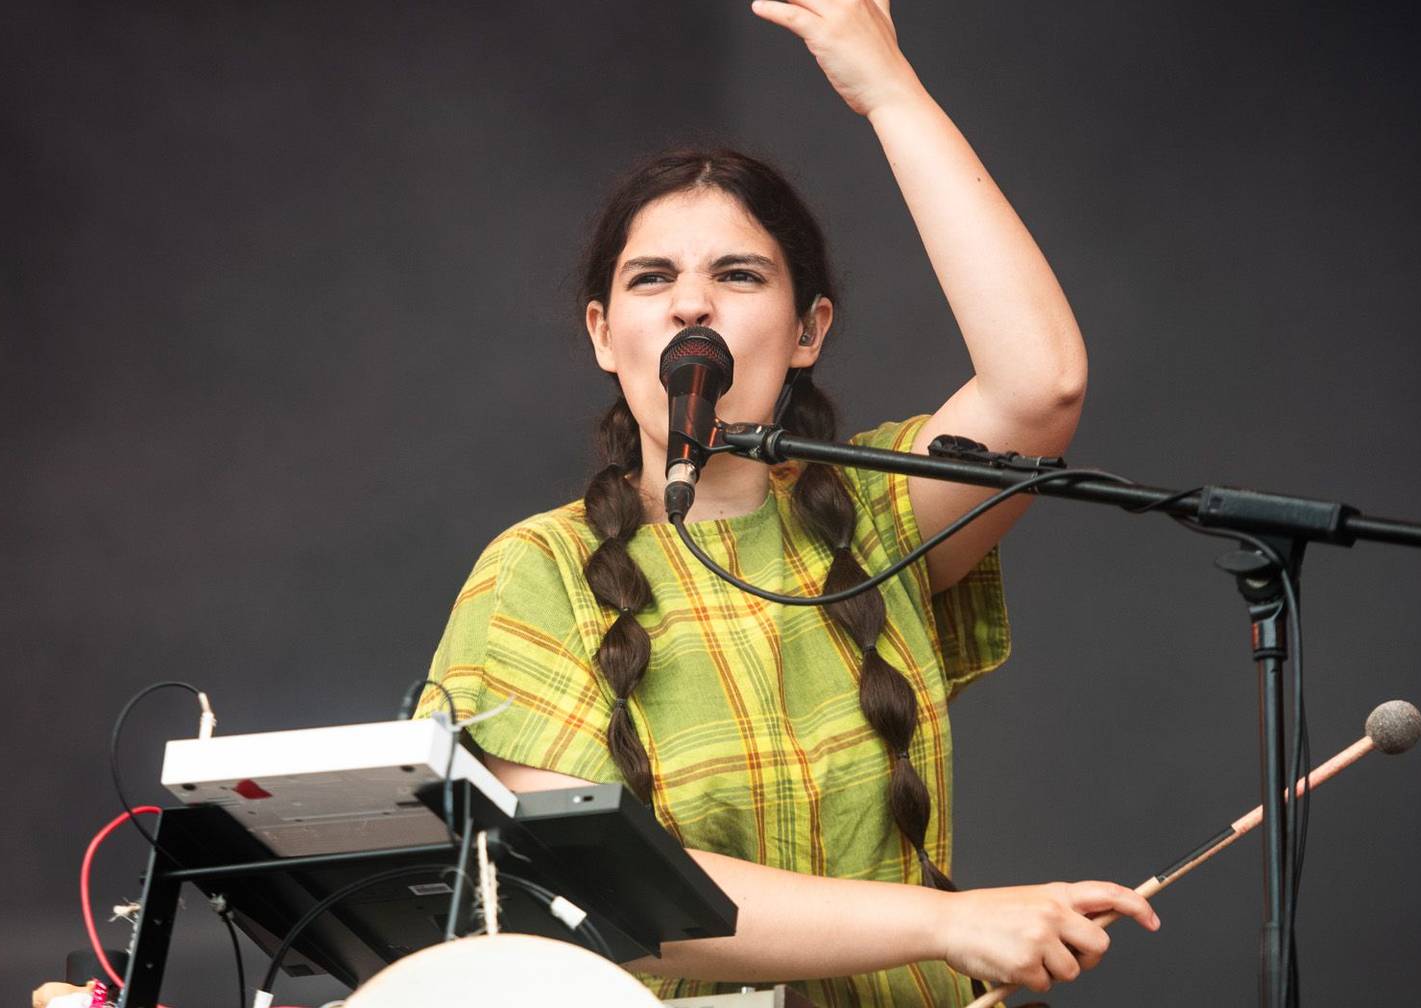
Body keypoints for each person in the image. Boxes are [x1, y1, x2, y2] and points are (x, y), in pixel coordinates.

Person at [417, 1, 1159, 1006]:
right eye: (652, 279)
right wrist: (947, 922)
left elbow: (1040, 387)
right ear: (603, 333)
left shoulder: (875, 516)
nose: (692, 303)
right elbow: (598, 892)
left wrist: (889, 90)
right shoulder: (536, 573)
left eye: (737, 274)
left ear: (808, 329)